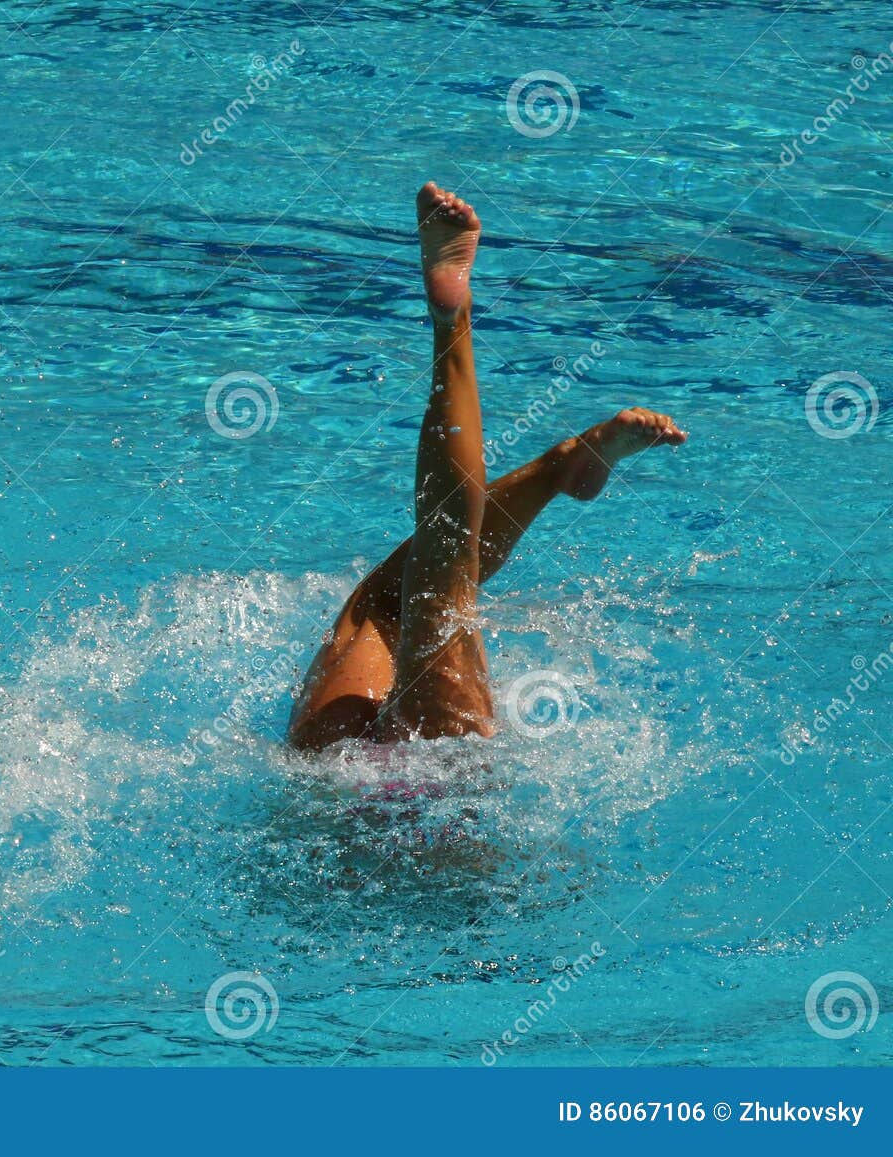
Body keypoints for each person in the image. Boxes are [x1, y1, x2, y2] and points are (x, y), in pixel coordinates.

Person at [289, 184, 687, 750]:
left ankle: (552, 462)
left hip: (379, 783)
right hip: (403, 775)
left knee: (413, 586)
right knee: (425, 577)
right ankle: (459, 336)